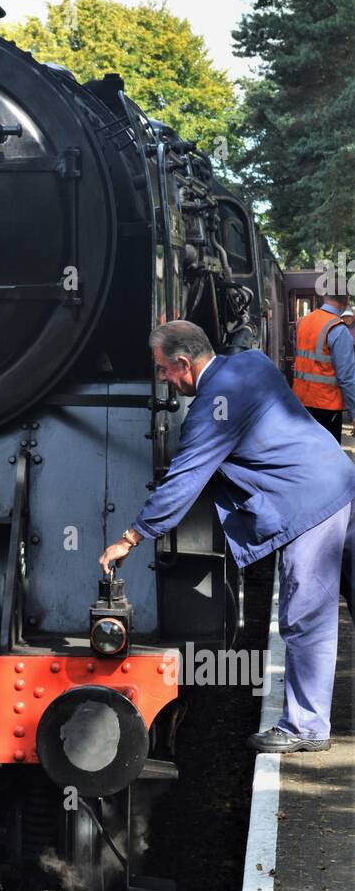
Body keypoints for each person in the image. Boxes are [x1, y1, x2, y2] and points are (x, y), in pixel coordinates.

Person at [99, 319, 355, 753]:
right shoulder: (253, 363)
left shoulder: (212, 407)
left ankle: (306, 727)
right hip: (341, 481)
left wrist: (133, 535)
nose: (163, 378)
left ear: (183, 362)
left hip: (308, 503)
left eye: (163, 369)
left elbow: (184, 479)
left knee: (306, 616)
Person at [291, 292, 355, 443]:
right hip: (326, 407)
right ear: (346, 300)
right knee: (327, 458)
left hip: (300, 403)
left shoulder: (302, 322)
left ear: (325, 296)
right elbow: (346, 377)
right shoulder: (338, 329)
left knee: (305, 453)